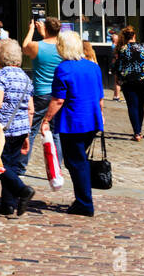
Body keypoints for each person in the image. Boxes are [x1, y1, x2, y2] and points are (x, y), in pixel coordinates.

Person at [42, 30, 105, 217]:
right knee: (78, 160)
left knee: (76, 162)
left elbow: (58, 100)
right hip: (92, 120)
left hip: (73, 122)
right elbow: (100, 99)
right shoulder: (93, 67)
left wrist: (46, 120)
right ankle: (83, 198)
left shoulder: (64, 68)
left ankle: (84, 202)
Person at [0, 38, 34, 217]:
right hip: (21, 128)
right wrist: (27, 134)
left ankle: (23, 190)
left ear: (0, 57)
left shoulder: (1, 75)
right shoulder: (26, 78)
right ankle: (8, 204)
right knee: (10, 165)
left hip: (3, 128)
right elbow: (30, 109)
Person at [22, 14, 62, 168]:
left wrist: (32, 29)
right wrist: (45, 33)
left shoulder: (37, 46)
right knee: (55, 133)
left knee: (31, 130)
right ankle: (56, 167)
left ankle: (21, 165)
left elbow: (25, 46)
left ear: (45, 28)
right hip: (58, 93)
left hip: (40, 92)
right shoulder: (62, 47)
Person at [116, 26, 144, 141]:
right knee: (140, 105)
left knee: (132, 106)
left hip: (128, 80)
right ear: (134, 36)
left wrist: (119, 76)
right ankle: (139, 130)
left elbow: (118, 65)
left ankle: (137, 132)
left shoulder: (122, 49)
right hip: (143, 79)